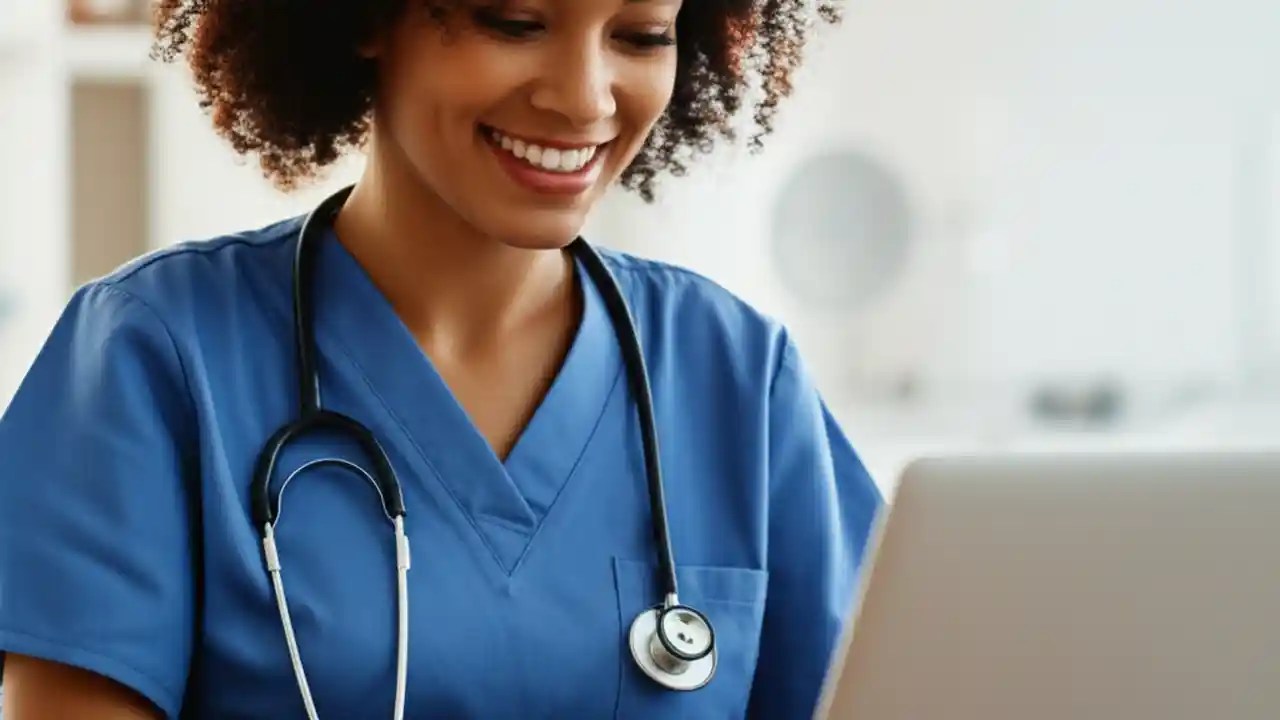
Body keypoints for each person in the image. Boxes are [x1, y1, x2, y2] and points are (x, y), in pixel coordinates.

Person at [0, 0, 883, 717]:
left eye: (640, 36)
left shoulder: (737, 377)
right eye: (515, 24)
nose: (585, 99)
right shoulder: (151, 358)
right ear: (368, 17)